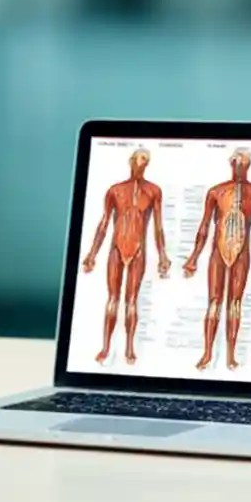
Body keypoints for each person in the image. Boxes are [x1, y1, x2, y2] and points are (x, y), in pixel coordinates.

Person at [182, 147, 251, 371]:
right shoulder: (216, 192)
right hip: (218, 252)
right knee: (214, 302)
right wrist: (193, 257)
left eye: (244, 162)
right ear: (231, 163)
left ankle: (231, 355)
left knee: (235, 303)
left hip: (242, 252)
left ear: (249, 165)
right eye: (237, 162)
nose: (240, 167)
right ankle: (207, 353)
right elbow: (204, 226)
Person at [81, 148, 171, 366]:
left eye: (146, 161)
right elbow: (104, 223)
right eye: (140, 159)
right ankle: (106, 347)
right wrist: (92, 253)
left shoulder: (153, 191)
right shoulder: (115, 190)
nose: (142, 164)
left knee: (131, 300)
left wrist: (163, 255)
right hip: (115, 248)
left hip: (138, 249)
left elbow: (158, 227)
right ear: (131, 161)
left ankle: (130, 347)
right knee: (112, 298)